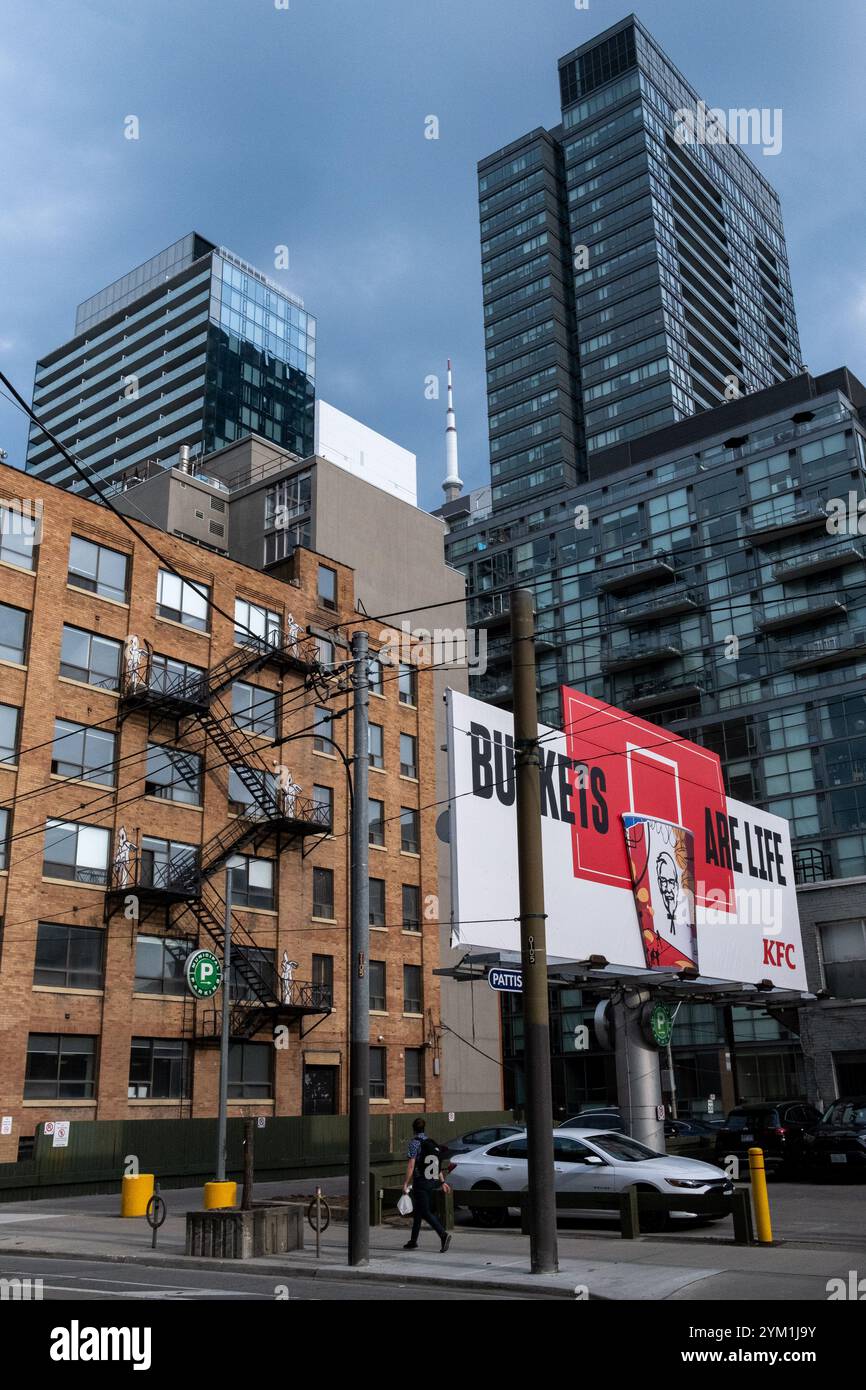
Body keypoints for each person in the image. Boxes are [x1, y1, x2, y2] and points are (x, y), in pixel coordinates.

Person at [402, 1116, 452, 1252]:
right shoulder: (431, 1142)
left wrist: (405, 1183)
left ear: (413, 1129)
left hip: (421, 1182)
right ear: (424, 1128)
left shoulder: (414, 1143)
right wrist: (442, 1182)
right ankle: (413, 1240)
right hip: (432, 1181)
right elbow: (437, 1164)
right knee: (418, 1211)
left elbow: (411, 1165)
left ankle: (443, 1234)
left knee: (424, 1211)